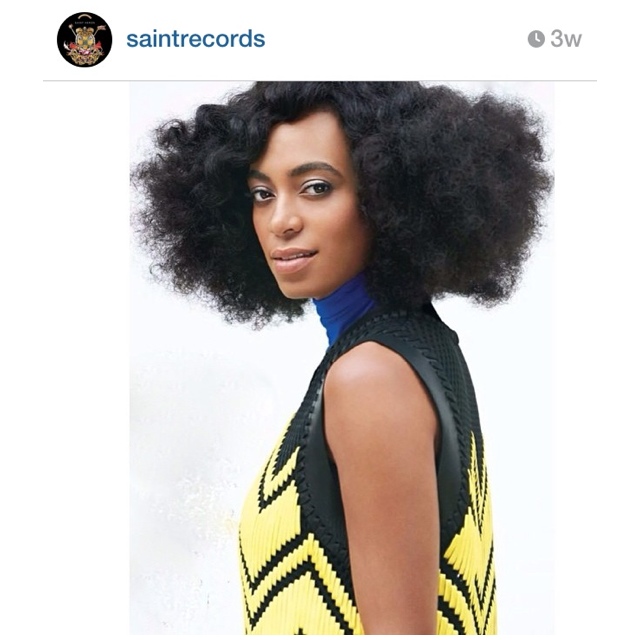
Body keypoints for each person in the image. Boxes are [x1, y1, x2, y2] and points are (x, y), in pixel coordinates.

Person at [132, 82, 552, 635]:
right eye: (262, 193)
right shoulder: (417, 352)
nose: (281, 220)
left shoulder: (371, 377)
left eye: (315, 187)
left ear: (387, 195)